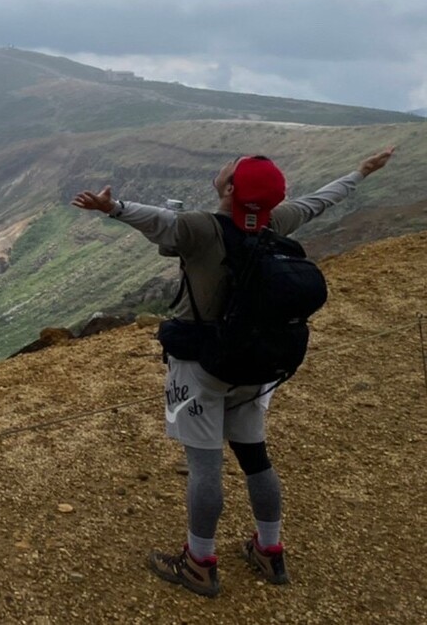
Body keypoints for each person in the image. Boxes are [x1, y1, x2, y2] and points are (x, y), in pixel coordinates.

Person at [71, 146, 395, 597]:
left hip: (201, 365)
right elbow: (322, 199)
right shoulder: (277, 222)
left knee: (205, 467)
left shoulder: (200, 227)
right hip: (256, 365)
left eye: (232, 170)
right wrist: (360, 170)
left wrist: (113, 208)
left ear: (228, 188)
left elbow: (157, 222)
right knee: (255, 458)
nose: (230, 166)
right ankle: (269, 550)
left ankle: (200, 563)